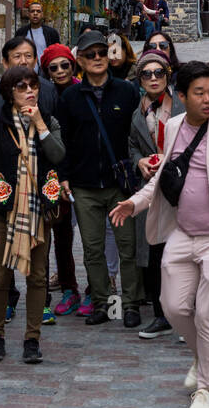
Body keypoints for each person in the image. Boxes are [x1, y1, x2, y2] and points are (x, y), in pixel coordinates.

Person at [111, 62, 209, 408]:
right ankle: (202, 356)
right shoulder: (175, 125)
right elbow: (164, 176)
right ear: (181, 96)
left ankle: (206, 388)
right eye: (199, 92)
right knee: (174, 307)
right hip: (182, 233)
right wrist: (136, 202)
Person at [0, 65, 65, 364]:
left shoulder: (49, 121)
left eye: (33, 86)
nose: (29, 91)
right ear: (9, 93)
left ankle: (32, 339)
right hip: (4, 210)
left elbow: (58, 155)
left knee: (38, 277)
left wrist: (40, 123)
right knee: (0, 276)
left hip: (39, 212)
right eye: (21, 87)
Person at [57, 29, 144, 326]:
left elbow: (136, 136)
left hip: (119, 185)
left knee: (126, 246)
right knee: (92, 248)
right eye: (90, 54)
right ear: (79, 60)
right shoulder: (70, 97)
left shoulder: (126, 91)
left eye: (102, 53)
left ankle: (130, 304)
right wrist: (65, 176)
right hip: (84, 185)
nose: (97, 58)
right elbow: (63, 141)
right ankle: (102, 303)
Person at [128, 48, 185, 338]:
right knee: (153, 250)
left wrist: (172, 161)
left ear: (167, 75)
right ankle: (161, 315)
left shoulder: (181, 105)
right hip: (149, 188)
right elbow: (131, 143)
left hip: (181, 188)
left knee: (182, 251)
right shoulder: (138, 110)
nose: (153, 78)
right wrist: (139, 160)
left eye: (158, 73)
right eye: (147, 74)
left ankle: (185, 315)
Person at [39, 45, 83, 315]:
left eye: (64, 65)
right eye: (53, 67)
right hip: (54, 171)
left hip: (82, 169)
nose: (59, 71)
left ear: (72, 65)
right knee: (60, 231)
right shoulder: (43, 95)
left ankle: (97, 288)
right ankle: (68, 287)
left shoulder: (82, 90)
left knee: (92, 236)